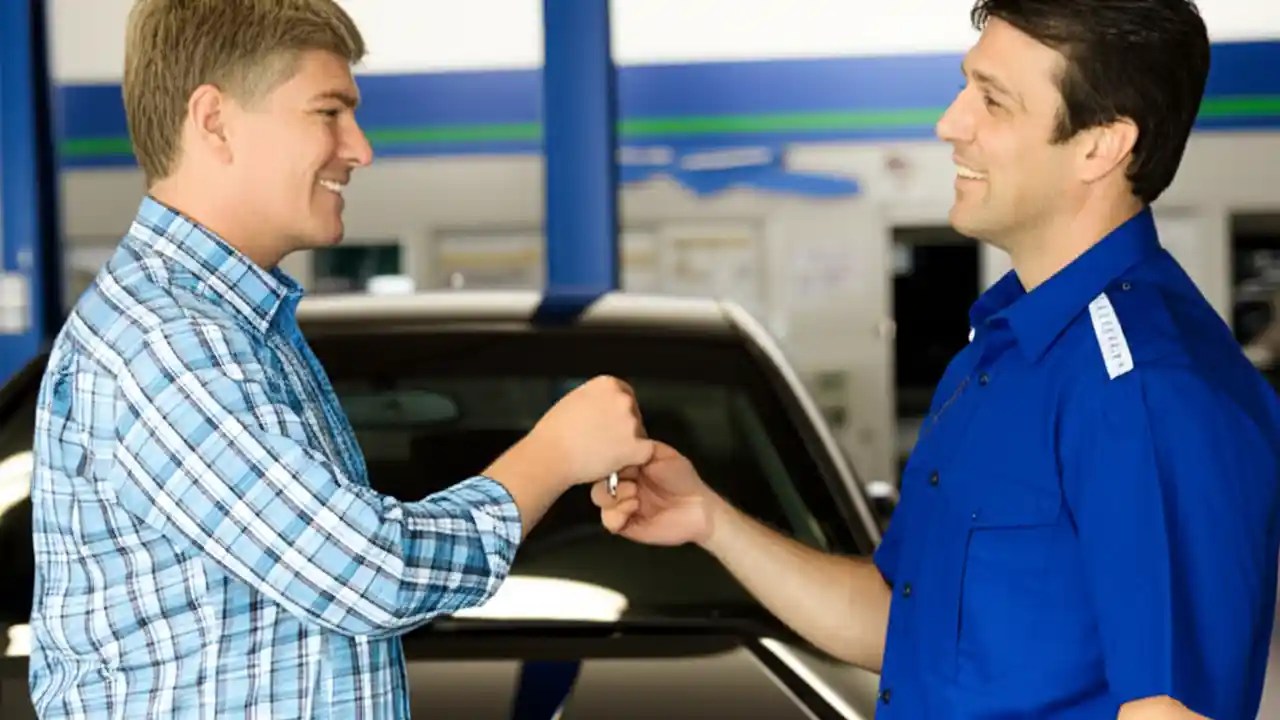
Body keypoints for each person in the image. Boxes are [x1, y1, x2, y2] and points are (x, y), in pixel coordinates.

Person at [593, 1, 1280, 718]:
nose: (950, 124)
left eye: (993, 100)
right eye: (965, 88)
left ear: (1100, 146)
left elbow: (1168, 710)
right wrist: (710, 520)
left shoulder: (1144, 385)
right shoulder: (998, 356)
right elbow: (901, 627)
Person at [27, 1, 653, 717]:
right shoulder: (167, 339)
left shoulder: (237, 329)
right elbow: (365, 572)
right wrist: (552, 456)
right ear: (214, 120)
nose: (361, 148)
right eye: (329, 111)